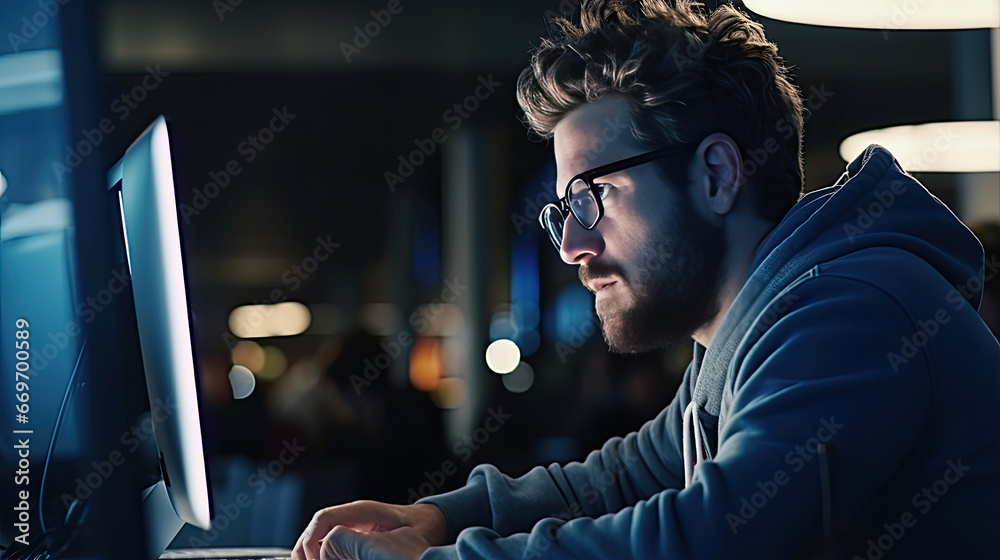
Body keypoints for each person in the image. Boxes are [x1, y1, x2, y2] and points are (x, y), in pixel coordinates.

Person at [292, 1, 1000, 558]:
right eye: (560, 212)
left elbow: (713, 540)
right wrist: (432, 517)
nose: (571, 245)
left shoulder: (852, 313)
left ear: (716, 175)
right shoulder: (752, 330)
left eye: (591, 198)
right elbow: (621, 480)